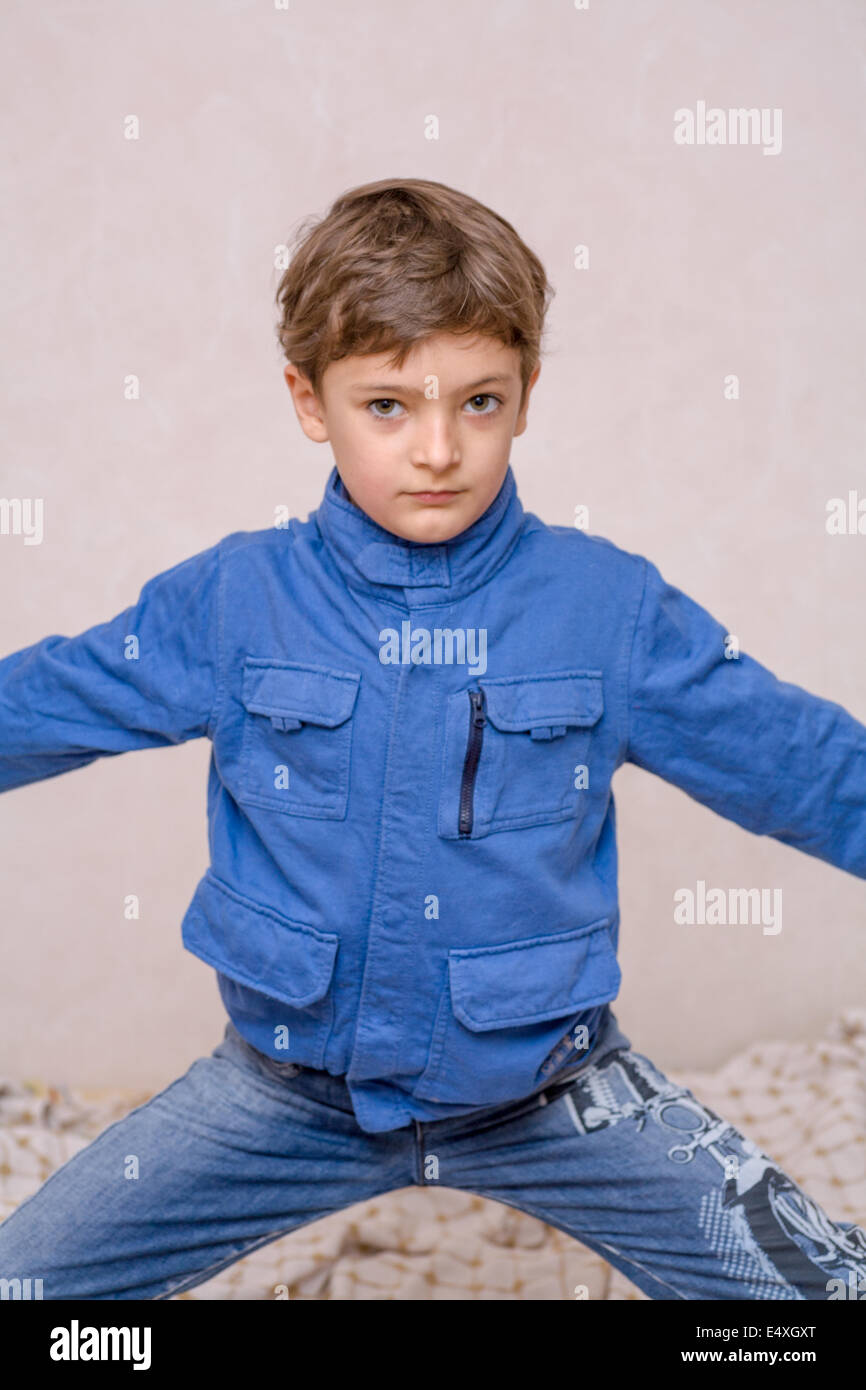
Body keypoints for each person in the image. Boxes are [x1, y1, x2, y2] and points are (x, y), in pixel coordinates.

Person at [1, 177, 864, 1301]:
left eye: (479, 402)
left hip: (556, 1092)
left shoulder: (604, 607)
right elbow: (49, 699)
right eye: (388, 408)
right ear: (308, 401)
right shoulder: (233, 599)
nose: (438, 450)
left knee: (816, 1300)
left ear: (527, 392)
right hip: (279, 1093)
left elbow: (797, 762)